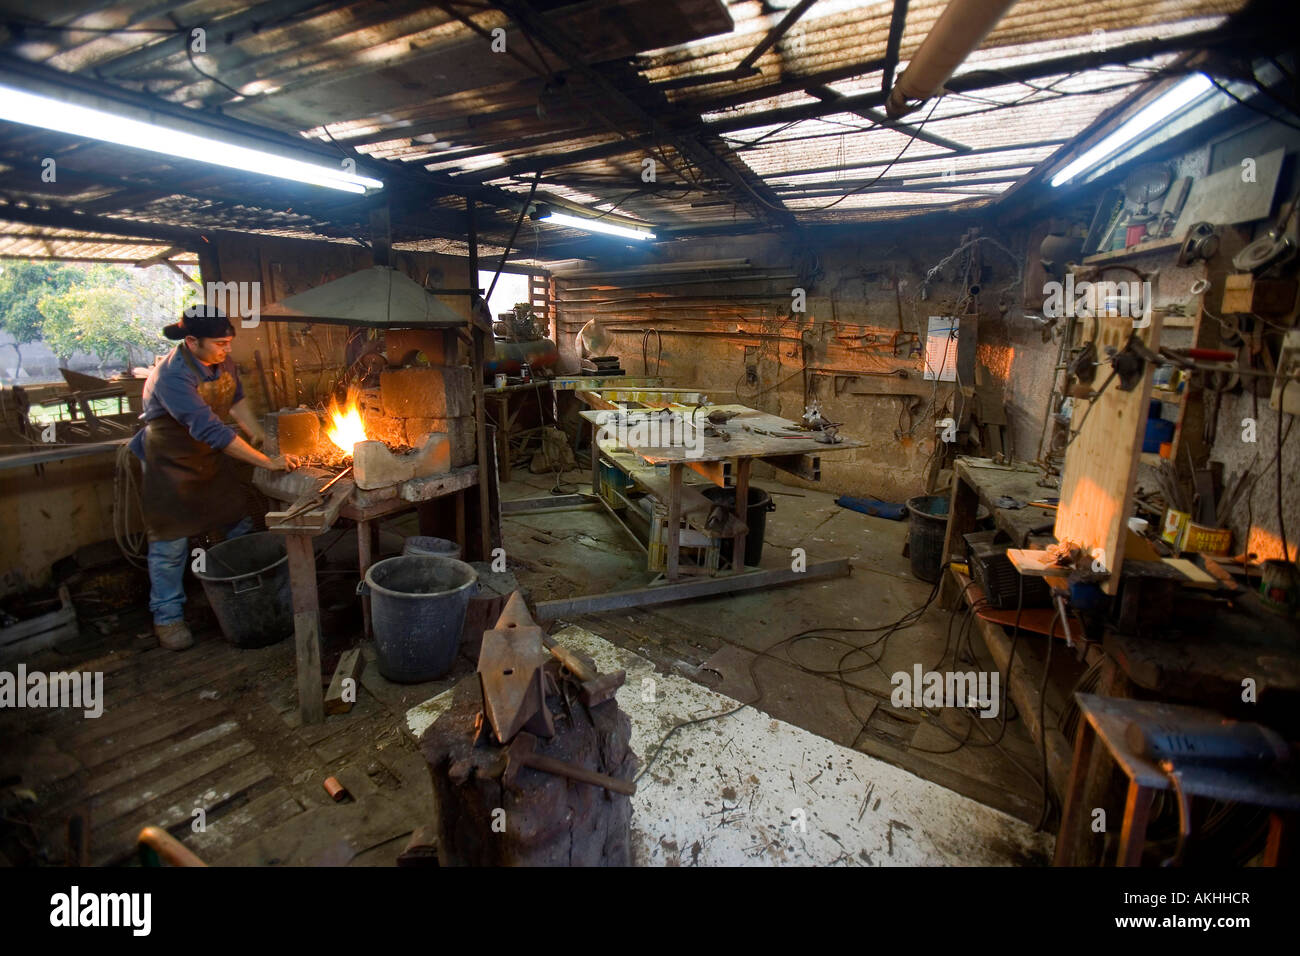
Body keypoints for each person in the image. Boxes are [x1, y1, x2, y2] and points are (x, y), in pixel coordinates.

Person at [128, 306, 297, 650]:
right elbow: (209, 428)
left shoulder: (221, 360)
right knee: (171, 544)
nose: (227, 349)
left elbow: (235, 400)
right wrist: (266, 461)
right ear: (192, 341)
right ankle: (168, 616)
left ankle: (238, 584)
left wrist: (257, 434)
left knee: (237, 522)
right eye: (220, 343)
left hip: (208, 458)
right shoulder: (172, 376)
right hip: (170, 463)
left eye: (229, 342)